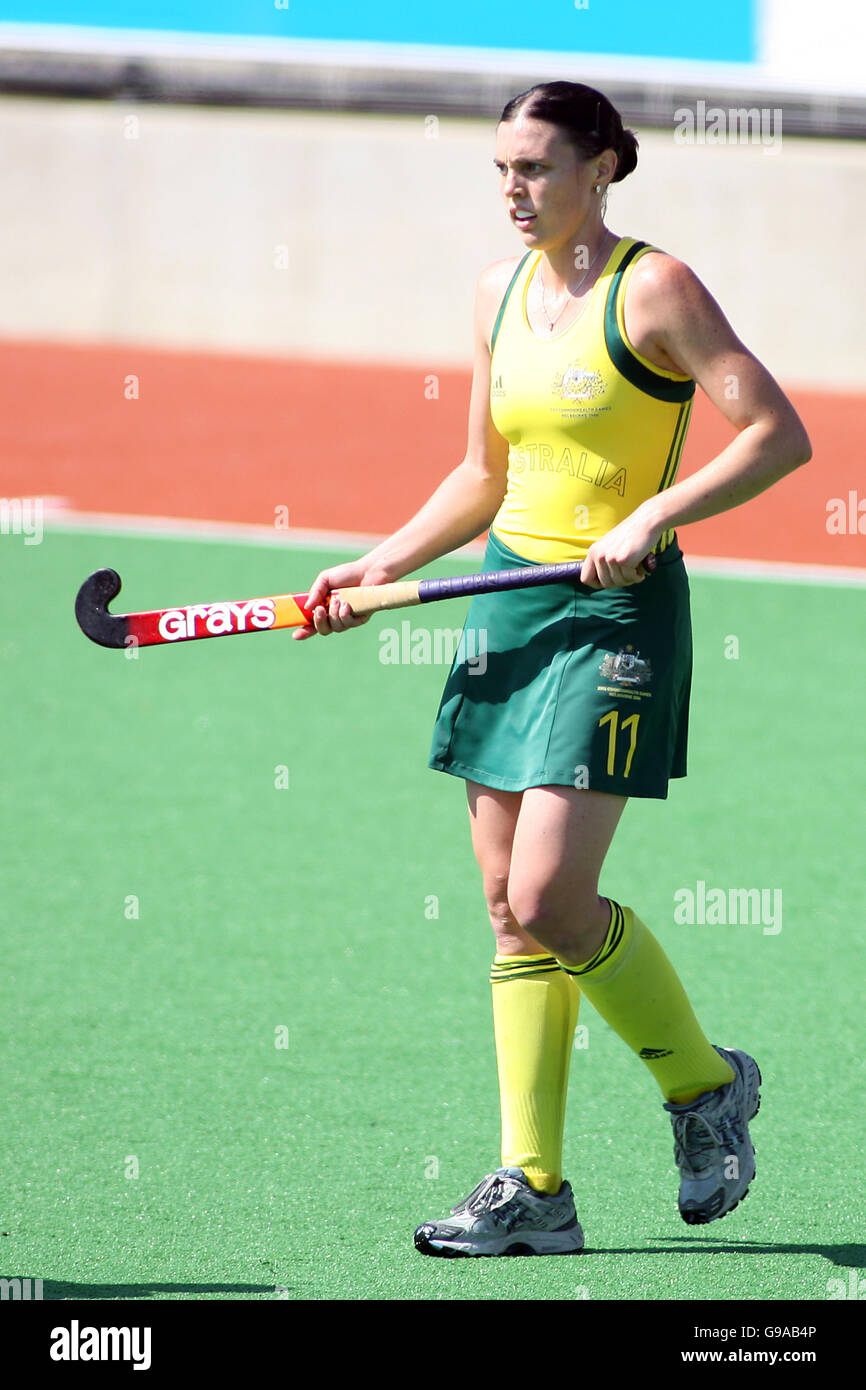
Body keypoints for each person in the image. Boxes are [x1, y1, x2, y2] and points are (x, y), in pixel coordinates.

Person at [294, 82, 811, 1256]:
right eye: (500, 170)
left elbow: (777, 433)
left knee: (547, 898)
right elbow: (482, 473)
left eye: (533, 167)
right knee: (505, 913)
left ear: (600, 167)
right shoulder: (497, 292)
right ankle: (533, 1188)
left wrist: (653, 515)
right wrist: (376, 565)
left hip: (615, 615)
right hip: (507, 602)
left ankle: (703, 1085)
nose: (513, 191)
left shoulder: (655, 290)